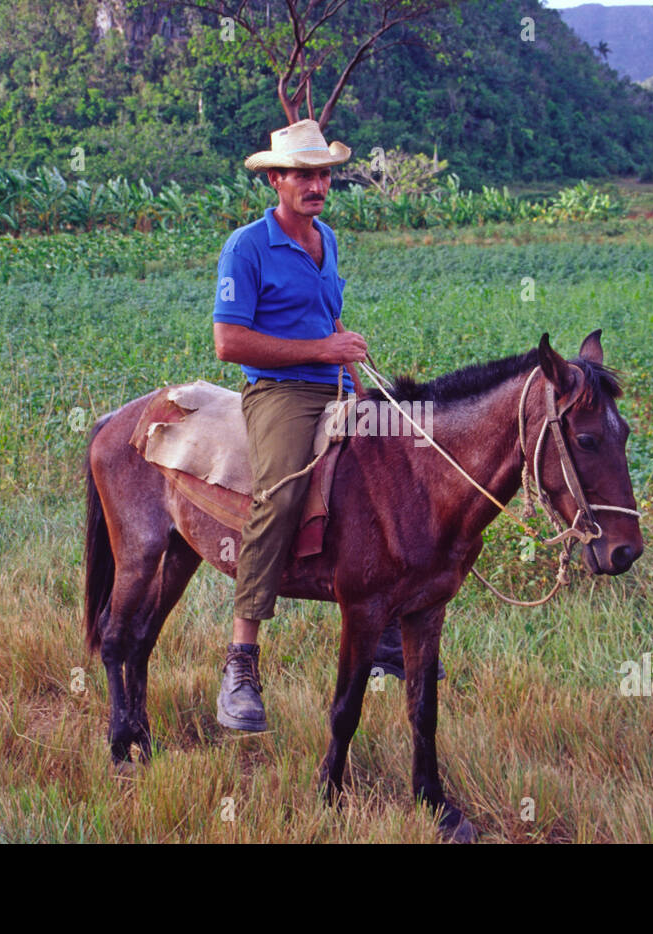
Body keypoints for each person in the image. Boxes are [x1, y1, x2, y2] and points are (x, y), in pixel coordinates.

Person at [211, 118, 440, 732]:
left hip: (339, 384)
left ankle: (389, 629)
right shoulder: (247, 247)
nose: (317, 184)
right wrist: (322, 351)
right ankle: (241, 658)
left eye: (324, 173)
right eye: (304, 174)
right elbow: (229, 343)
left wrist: (345, 355)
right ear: (277, 180)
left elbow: (324, 320)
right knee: (281, 493)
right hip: (282, 393)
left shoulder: (327, 239)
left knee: (403, 467)